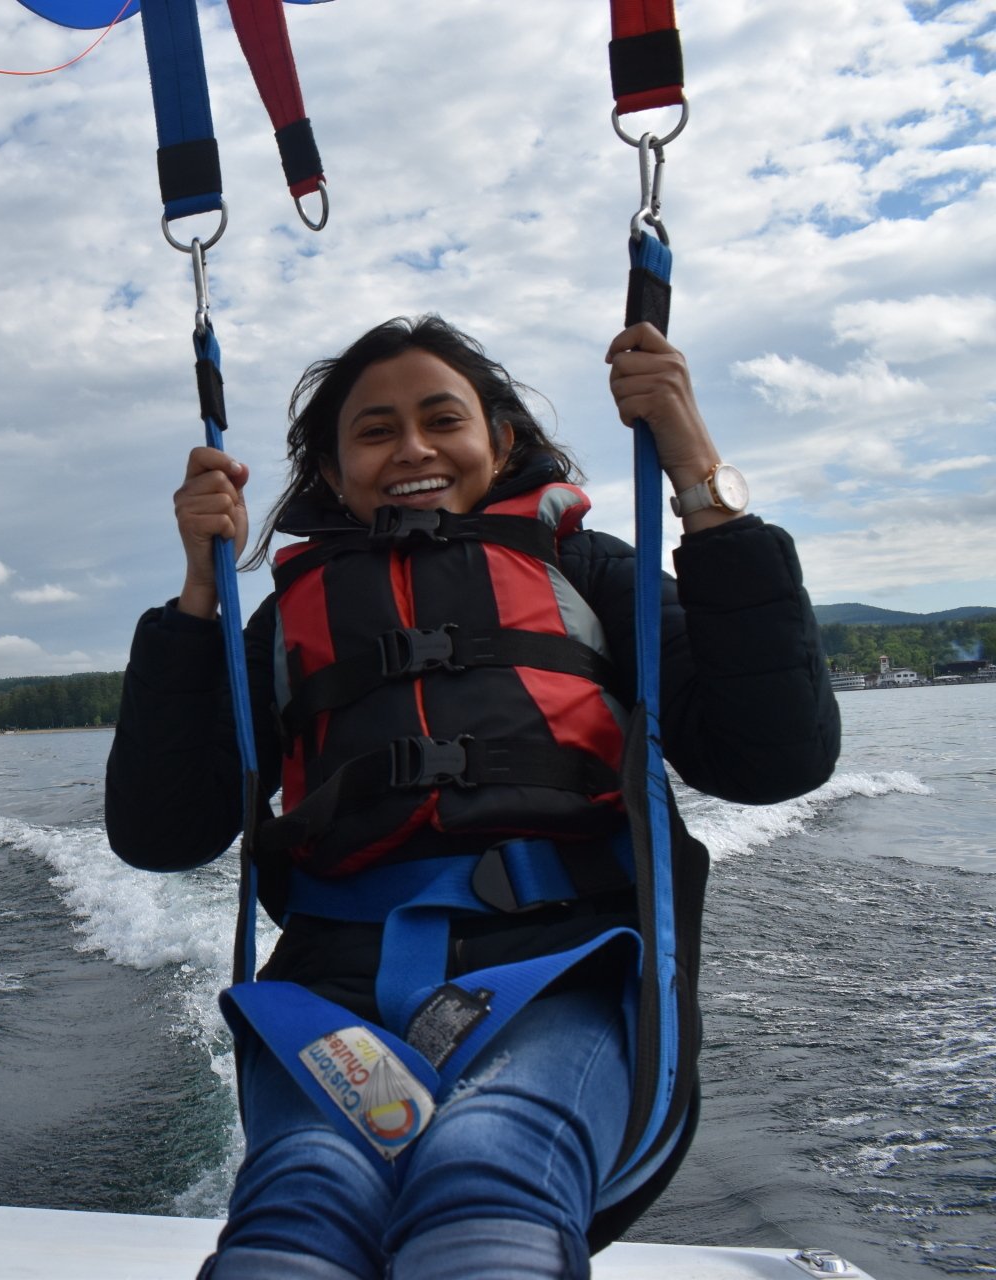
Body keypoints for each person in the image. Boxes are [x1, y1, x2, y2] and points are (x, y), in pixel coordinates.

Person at [104, 316, 839, 1280]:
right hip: (334, 990)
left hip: (562, 966)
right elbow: (162, 834)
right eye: (373, 431)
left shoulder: (587, 572)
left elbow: (773, 758)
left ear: (498, 441)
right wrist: (198, 601)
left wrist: (697, 474)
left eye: (440, 419)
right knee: (302, 1202)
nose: (411, 449)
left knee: (485, 1164)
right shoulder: (284, 623)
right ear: (331, 473)